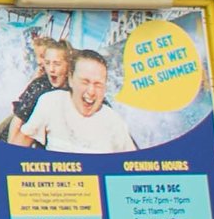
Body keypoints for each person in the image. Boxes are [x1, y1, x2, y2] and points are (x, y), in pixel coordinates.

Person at [7, 44, 141, 155]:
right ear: (71, 79)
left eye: (98, 84)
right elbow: (15, 151)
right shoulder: (51, 102)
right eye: (85, 82)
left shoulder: (113, 121)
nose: (91, 92)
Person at [1, 33, 75, 136]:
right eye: (47, 62)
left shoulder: (73, 87)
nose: (39, 61)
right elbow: (19, 118)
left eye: (42, 57)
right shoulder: (39, 85)